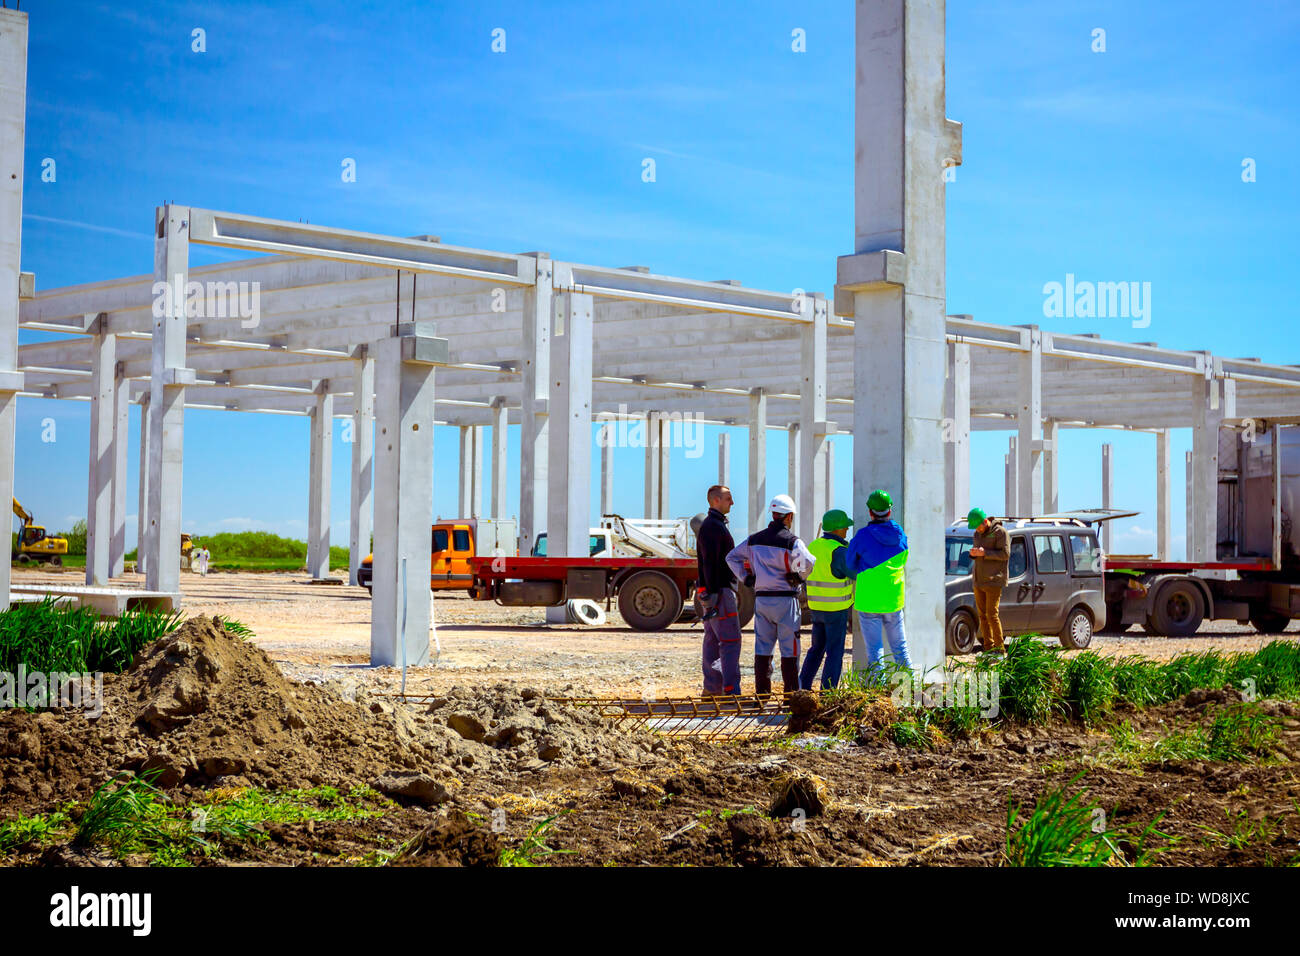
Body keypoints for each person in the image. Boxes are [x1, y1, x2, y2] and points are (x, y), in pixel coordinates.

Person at [726, 494, 815, 696]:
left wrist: (747, 578)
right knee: (790, 650)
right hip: (786, 601)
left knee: (763, 648)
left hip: (763, 600)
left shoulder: (754, 540)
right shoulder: (792, 541)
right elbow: (809, 563)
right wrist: (798, 577)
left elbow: (731, 558)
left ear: (773, 515)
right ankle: (790, 696)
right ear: (789, 517)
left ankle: (762, 696)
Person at [844, 489, 911, 678]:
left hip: (869, 599)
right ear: (890, 511)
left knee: (875, 652)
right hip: (893, 599)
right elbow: (904, 558)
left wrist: (866, 566)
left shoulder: (862, 536)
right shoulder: (900, 535)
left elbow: (850, 564)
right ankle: (913, 689)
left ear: (870, 512)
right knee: (900, 648)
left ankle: (878, 695)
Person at [800, 509, 855, 691]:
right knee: (834, 652)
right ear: (838, 529)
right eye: (845, 526)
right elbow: (854, 572)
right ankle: (827, 693)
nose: (847, 529)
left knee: (816, 649)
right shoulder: (839, 551)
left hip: (816, 608)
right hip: (836, 609)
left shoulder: (814, 546)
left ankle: (803, 688)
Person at [695, 485, 743, 696]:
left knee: (713, 641)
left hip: (714, 592)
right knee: (730, 642)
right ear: (715, 501)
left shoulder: (711, 525)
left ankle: (712, 689)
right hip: (721, 592)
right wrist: (713, 594)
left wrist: (707, 593)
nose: (731, 503)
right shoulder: (714, 527)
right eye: (728, 499)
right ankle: (730, 692)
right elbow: (711, 563)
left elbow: (708, 563)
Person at [967, 507, 1009, 654]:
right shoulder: (976, 533)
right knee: (982, 616)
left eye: (978, 526)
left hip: (994, 581)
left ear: (985, 522)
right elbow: (977, 551)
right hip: (979, 580)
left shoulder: (1000, 533)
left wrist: (985, 553)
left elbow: (1005, 554)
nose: (977, 530)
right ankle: (989, 648)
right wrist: (973, 553)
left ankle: (1000, 649)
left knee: (992, 615)